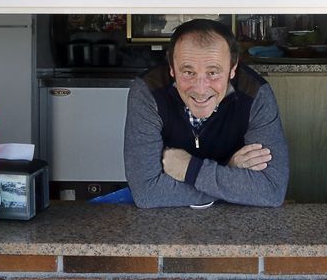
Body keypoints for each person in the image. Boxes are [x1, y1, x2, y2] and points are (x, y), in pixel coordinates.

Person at [124, 18, 289, 208]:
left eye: (213, 73)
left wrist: (190, 170)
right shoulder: (148, 91)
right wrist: (230, 170)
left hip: (236, 223)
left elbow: (271, 190)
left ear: (232, 69)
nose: (200, 89)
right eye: (188, 72)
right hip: (167, 226)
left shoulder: (255, 93)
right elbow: (147, 193)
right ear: (172, 69)